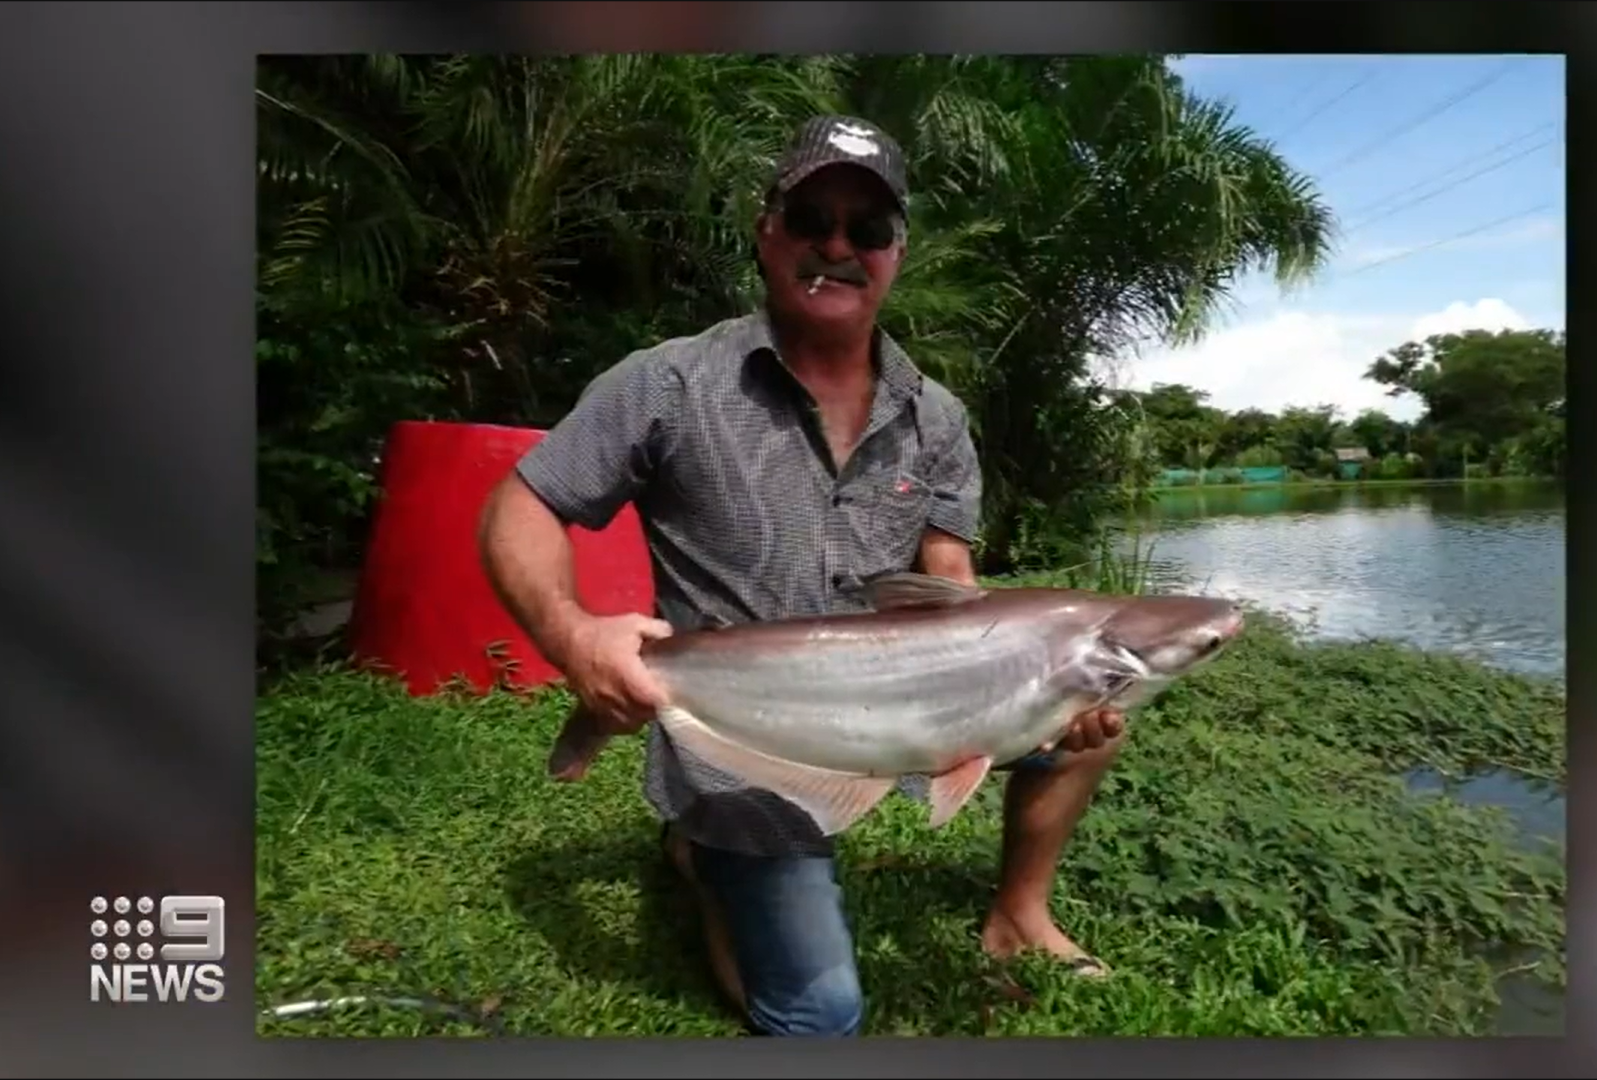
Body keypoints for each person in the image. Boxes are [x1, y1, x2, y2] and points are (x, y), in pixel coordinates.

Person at [477, 115, 1128, 1037]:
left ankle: (1018, 917)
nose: (838, 246)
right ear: (767, 228)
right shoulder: (669, 385)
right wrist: (571, 634)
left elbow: (946, 565)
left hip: (901, 702)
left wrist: (1014, 681)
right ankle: (702, 849)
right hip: (747, 736)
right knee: (818, 1019)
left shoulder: (935, 417)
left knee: (1086, 726)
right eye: (813, 217)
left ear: (896, 252)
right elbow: (521, 505)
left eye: (867, 231)